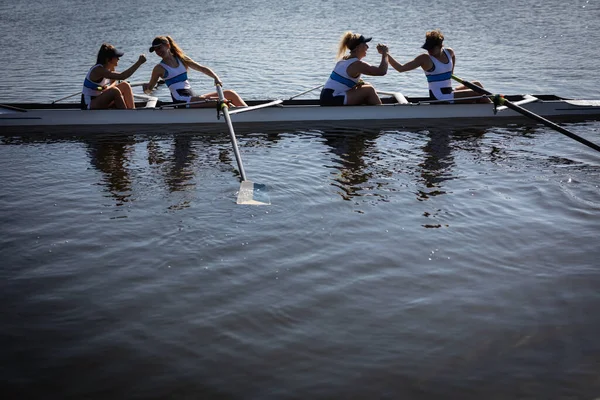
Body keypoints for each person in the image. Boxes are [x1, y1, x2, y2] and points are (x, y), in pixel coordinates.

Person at [142, 36, 247, 107]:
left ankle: (247, 112)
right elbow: (149, 90)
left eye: (160, 48)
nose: (158, 52)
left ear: (168, 46)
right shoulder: (159, 68)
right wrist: (147, 88)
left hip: (192, 96)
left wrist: (216, 77)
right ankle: (243, 116)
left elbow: (201, 68)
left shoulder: (182, 59)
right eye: (155, 50)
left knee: (230, 93)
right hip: (181, 100)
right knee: (219, 102)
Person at [387, 29, 488, 103]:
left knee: (477, 84)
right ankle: (491, 108)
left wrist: (451, 71)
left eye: (431, 48)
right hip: (439, 97)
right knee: (477, 92)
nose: (429, 51)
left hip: (450, 92)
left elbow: (453, 56)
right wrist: (386, 54)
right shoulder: (425, 59)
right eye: (427, 48)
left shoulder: (449, 52)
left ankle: (489, 106)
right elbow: (401, 68)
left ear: (440, 46)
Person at [320, 31, 389, 106]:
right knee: (369, 90)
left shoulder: (344, 60)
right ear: (358, 47)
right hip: (331, 99)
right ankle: (382, 114)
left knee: (366, 85)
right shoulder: (357, 64)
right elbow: (382, 71)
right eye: (365, 44)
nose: (367, 47)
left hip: (326, 97)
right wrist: (385, 54)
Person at [82, 43, 146, 110]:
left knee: (125, 85)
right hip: (89, 104)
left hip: (100, 98)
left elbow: (113, 83)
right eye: (116, 57)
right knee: (114, 91)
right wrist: (139, 62)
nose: (118, 59)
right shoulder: (98, 70)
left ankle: (132, 111)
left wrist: (108, 88)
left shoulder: (110, 67)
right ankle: (126, 116)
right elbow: (122, 76)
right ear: (108, 59)